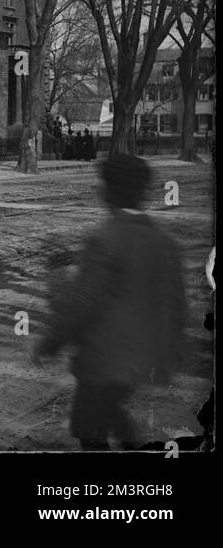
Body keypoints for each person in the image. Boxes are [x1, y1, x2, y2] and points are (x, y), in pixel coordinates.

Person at [32, 152, 187, 449]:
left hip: (104, 361)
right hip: (145, 360)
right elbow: (176, 306)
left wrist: (49, 342)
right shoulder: (164, 243)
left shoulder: (104, 239)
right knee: (107, 415)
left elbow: (82, 306)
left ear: (108, 191)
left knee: (88, 428)